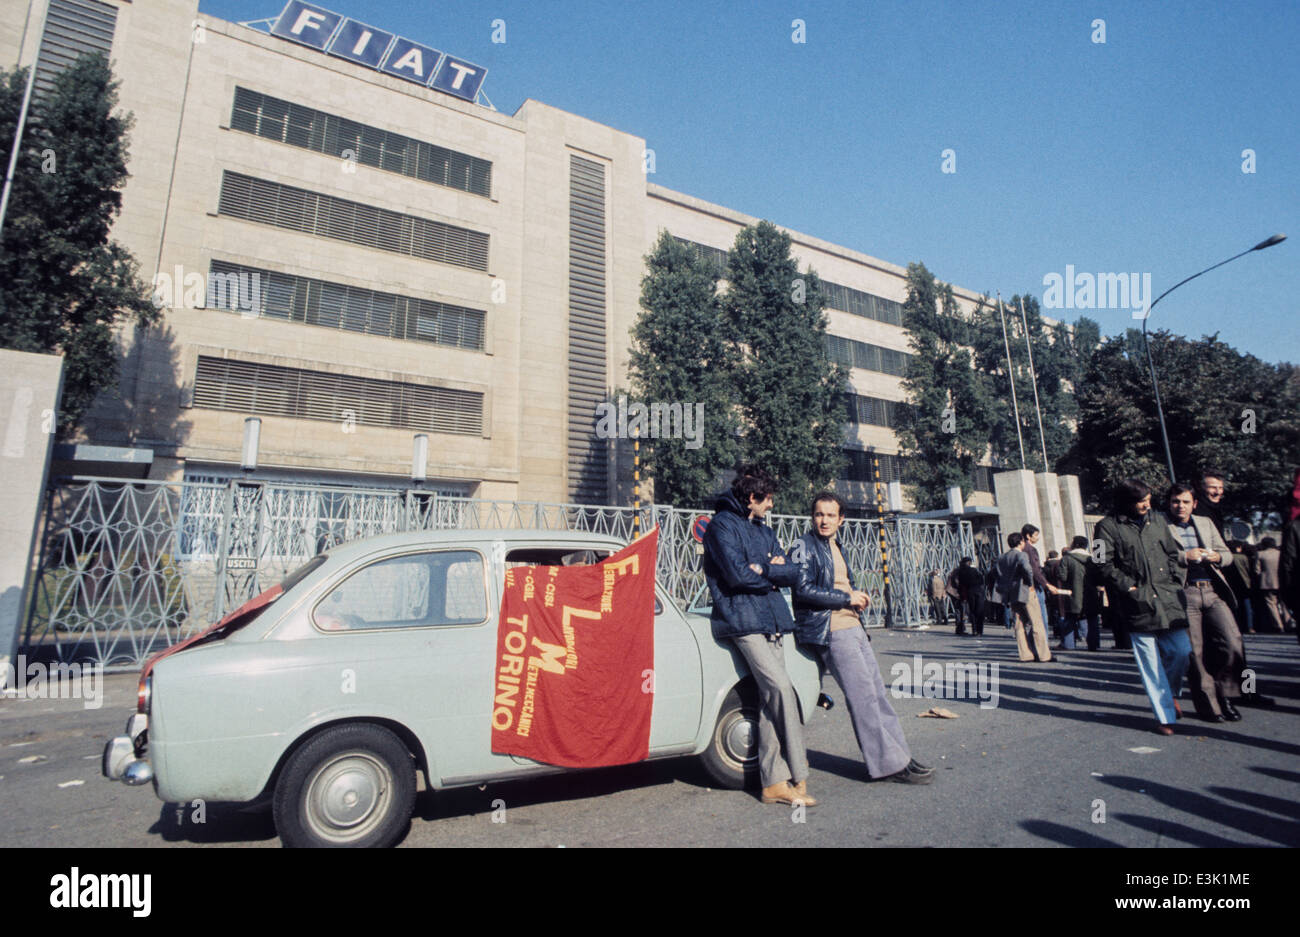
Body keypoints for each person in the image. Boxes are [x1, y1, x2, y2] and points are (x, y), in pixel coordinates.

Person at [790, 492, 933, 784]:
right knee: (863, 698)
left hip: (853, 627)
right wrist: (845, 597)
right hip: (831, 629)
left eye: (831, 515)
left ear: (841, 519)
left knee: (878, 694)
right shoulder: (801, 545)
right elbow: (801, 590)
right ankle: (887, 765)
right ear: (812, 517)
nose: (824, 520)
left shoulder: (835, 545)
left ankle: (900, 757)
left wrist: (855, 600)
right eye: (819, 514)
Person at [701, 465, 813, 807]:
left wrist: (764, 568)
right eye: (768, 500)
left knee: (768, 699)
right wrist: (771, 571)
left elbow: (793, 571)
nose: (771, 507)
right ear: (752, 497)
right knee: (780, 689)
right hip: (742, 620)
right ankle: (800, 772)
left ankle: (773, 783)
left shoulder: (762, 529)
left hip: (773, 620)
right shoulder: (722, 526)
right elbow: (735, 577)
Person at [1094, 479, 1190, 735]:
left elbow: (1173, 553)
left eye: (1148, 498)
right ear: (1126, 501)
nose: (1147, 504)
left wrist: (1173, 580)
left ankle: (1169, 695)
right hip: (1135, 603)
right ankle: (1165, 716)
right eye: (1140, 500)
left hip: (1168, 598)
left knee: (1182, 651)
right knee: (1150, 664)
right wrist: (1129, 588)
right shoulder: (1105, 526)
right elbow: (1100, 564)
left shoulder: (1158, 520)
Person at [1166, 483, 1246, 723]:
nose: (1180, 506)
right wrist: (1184, 556)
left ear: (1194, 503)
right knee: (1195, 653)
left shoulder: (1205, 523)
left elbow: (1227, 554)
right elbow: (1159, 558)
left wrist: (1218, 556)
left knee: (1233, 643)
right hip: (1185, 593)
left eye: (1185, 502)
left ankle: (1226, 695)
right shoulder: (1162, 526)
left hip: (1212, 591)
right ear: (1169, 503)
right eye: (1175, 502)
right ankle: (1208, 705)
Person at [994, 532, 1052, 662]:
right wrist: (1030, 583)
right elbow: (1027, 569)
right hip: (1025, 591)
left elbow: (998, 574)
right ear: (1021, 542)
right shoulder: (1022, 555)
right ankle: (1044, 655)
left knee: (1019, 624)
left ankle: (1025, 654)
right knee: (1036, 622)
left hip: (1011, 592)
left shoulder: (1002, 557)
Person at [1058, 536, 1102, 650]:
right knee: (1092, 620)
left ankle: (1069, 644)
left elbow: (1062, 576)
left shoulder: (1067, 558)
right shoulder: (1092, 560)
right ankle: (1094, 644)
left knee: (1070, 619)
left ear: (1075, 544)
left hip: (1073, 594)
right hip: (1091, 594)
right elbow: (1099, 578)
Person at [1255, 537, 1287, 634]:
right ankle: (1289, 622)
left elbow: (1257, 570)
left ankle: (1279, 625)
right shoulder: (1280, 553)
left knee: (1271, 604)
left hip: (1267, 583)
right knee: (1284, 603)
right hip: (1282, 582)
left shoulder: (1260, 554)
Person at [956, 557, 986, 636]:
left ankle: (974, 630)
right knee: (979, 611)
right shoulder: (974, 570)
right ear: (969, 562)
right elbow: (981, 581)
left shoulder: (961, 572)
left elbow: (961, 585)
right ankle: (980, 630)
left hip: (969, 593)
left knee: (972, 612)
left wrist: (962, 595)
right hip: (978, 592)